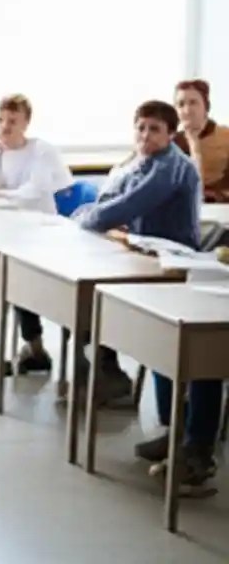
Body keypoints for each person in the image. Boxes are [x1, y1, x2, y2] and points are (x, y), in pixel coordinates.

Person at [74, 100, 219, 492]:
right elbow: (108, 200)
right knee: (159, 350)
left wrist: (85, 219)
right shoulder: (140, 163)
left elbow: (118, 209)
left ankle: (198, 449)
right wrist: (89, 216)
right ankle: (178, 431)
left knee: (197, 357)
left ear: (170, 134)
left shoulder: (170, 167)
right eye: (140, 128)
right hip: (146, 265)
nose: (145, 136)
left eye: (154, 129)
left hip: (178, 271)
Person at [0, 95, 73, 375]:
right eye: (0, 121)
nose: (4, 127)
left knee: (19, 280)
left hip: (41, 235)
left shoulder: (41, 151)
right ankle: (30, 347)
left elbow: (32, 192)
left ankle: (34, 346)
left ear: (26, 124)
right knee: (2, 277)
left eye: (12, 121)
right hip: (6, 233)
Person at [173, 79, 229, 204]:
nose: (187, 110)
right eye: (181, 104)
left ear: (206, 106)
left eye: (193, 103)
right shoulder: (171, 142)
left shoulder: (226, 137)